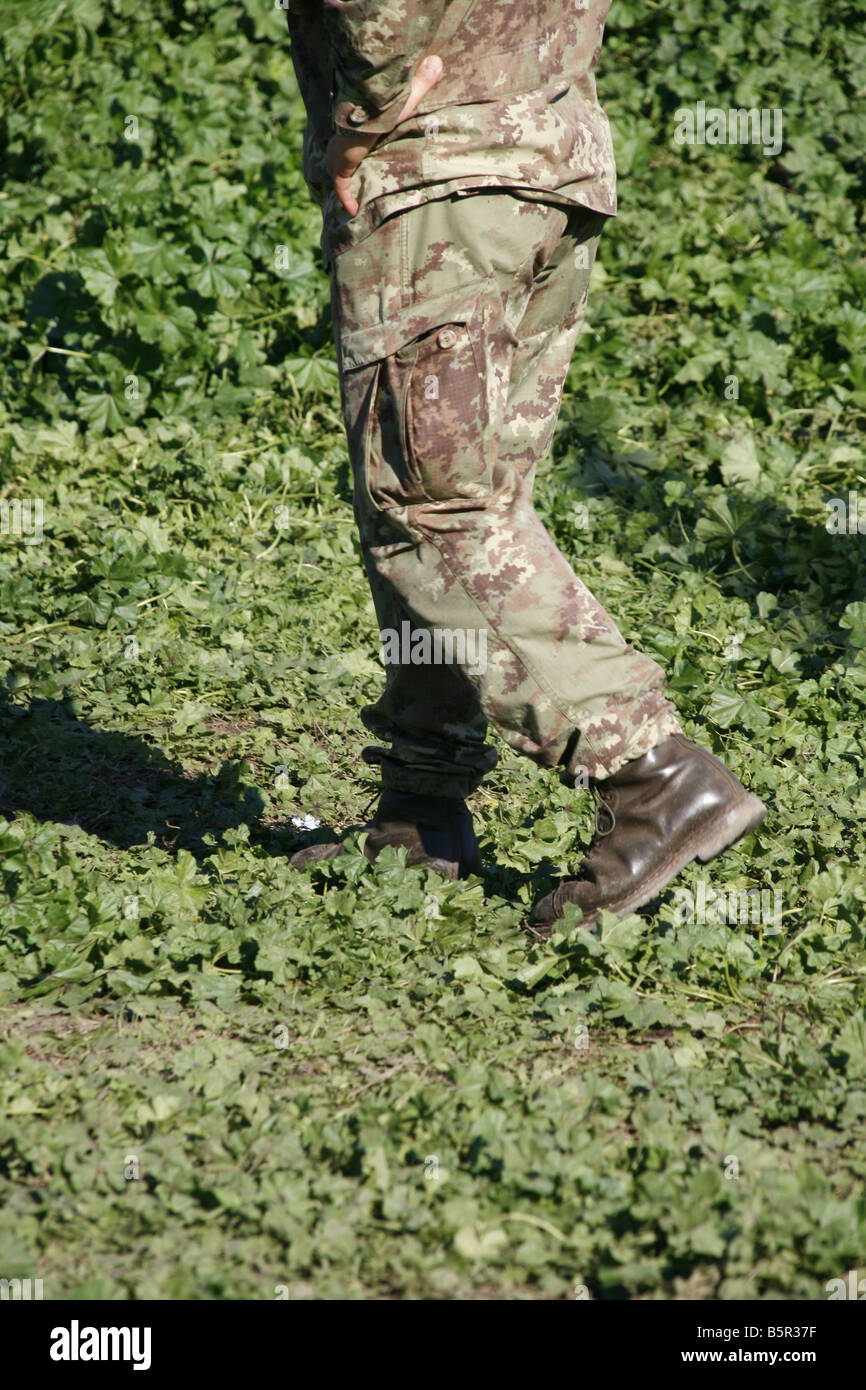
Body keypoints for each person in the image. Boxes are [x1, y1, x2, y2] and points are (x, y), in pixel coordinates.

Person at [285, 1, 765, 934]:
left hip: (439, 168)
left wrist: (359, 127)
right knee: (474, 503)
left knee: (431, 510)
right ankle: (421, 815)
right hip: (550, 155)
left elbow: (377, 16)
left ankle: (656, 775)